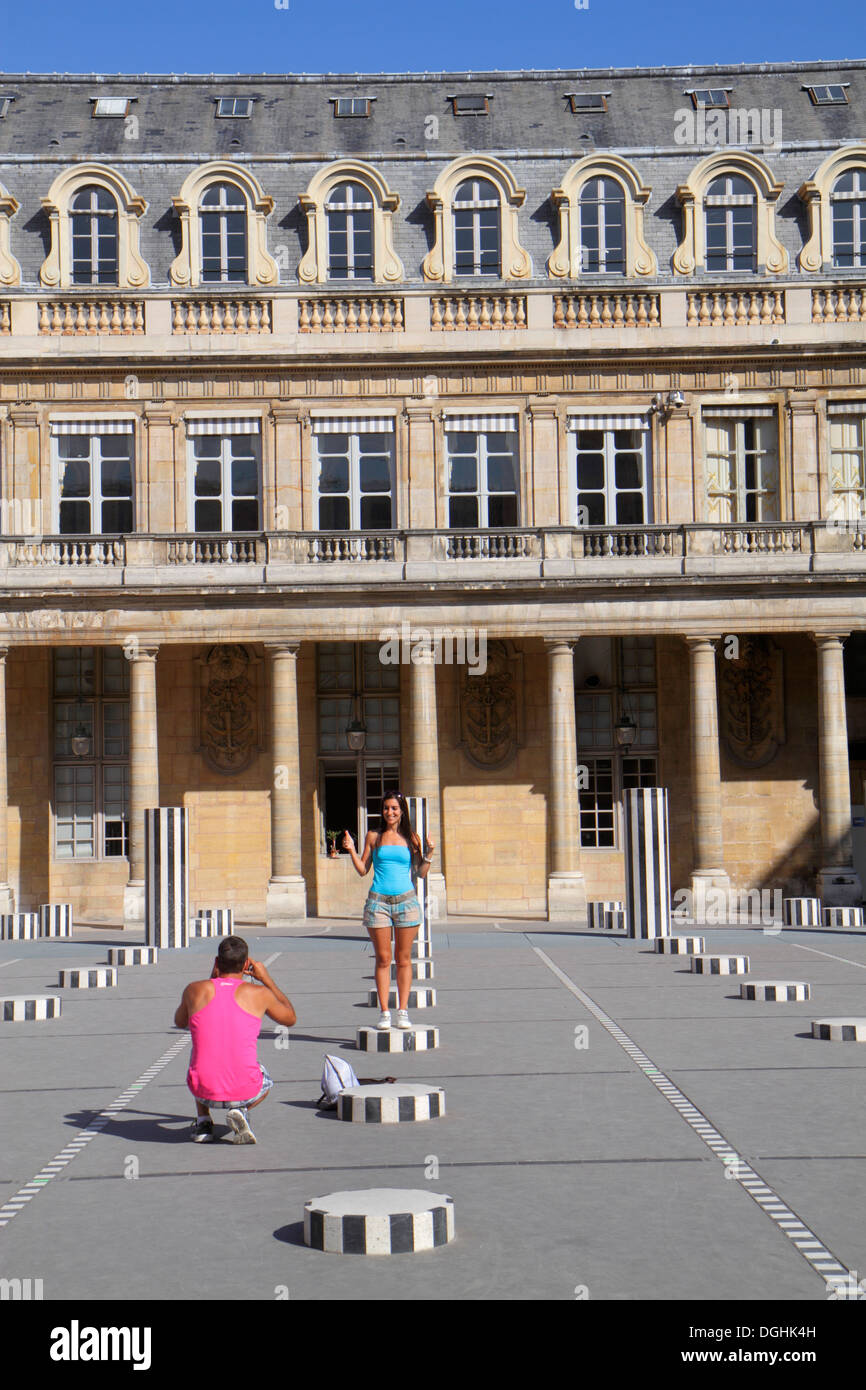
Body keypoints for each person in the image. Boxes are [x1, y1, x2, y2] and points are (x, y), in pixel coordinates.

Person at [174, 935, 296, 1144]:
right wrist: (266, 979)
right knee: (264, 1077)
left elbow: (180, 1021)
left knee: (201, 1047)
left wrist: (212, 978)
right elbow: (290, 1017)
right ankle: (240, 1109)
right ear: (247, 964)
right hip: (245, 1090)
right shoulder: (259, 993)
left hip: (202, 1089)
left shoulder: (193, 989)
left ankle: (203, 1121)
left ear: (216, 962)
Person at [343, 791, 435, 1030]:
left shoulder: (411, 838)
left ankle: (402, 1012)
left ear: (402, 811)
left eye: (394, 808)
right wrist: (351, 849)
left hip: (407, 902)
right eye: (386, 808)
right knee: (383, 959)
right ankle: (385, 1013)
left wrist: (430, 853)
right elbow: (363, 869)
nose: (390, 812)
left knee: (403, 960)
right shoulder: (374, 836)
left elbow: (421, 873)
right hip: (378, 903)